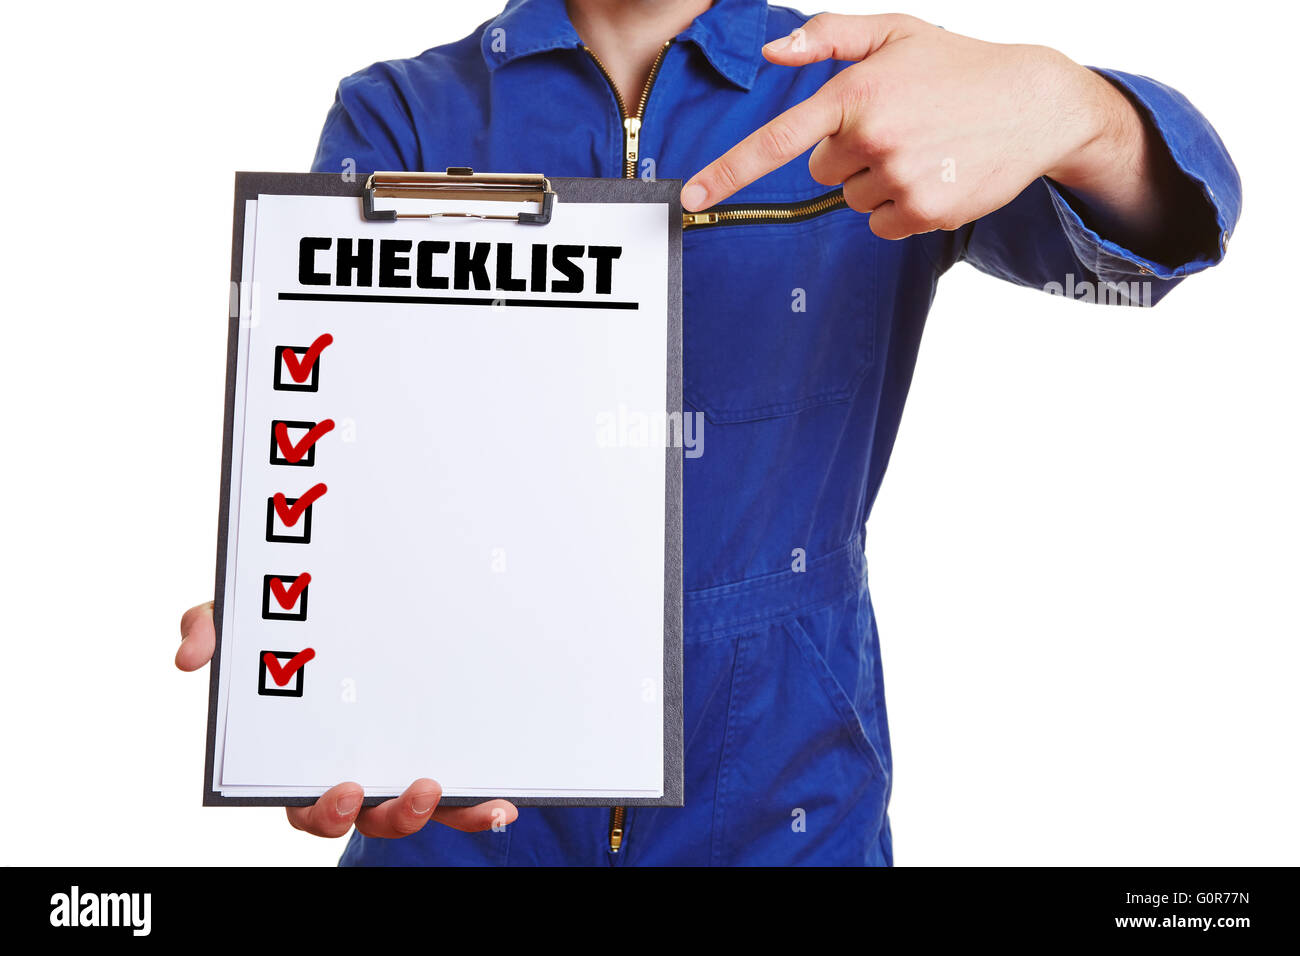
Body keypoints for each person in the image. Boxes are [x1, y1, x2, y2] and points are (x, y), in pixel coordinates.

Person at [177, 0, 1240, 865]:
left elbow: (1157, 243)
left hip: (789, 793)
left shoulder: (871, 99)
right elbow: (349, 439)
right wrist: (310, 629)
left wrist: (1069, 107)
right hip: (460, 798)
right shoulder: (404, 112)